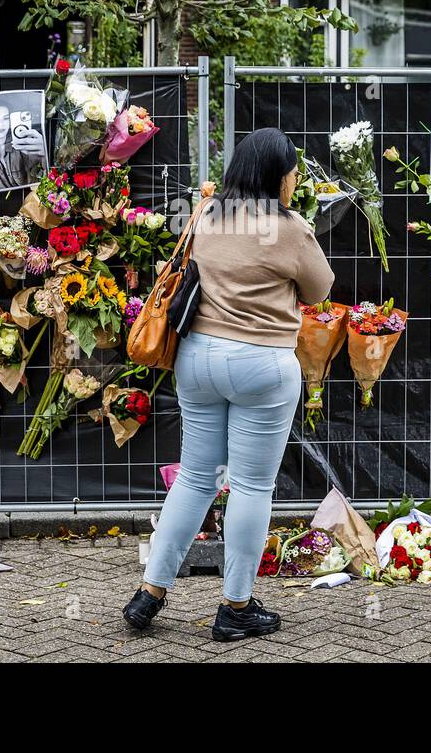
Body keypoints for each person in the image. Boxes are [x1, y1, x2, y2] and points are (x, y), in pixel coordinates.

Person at [123, 127, 335, 643]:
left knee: (196, 478)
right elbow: (321, 289)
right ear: (277, 176)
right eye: (291, 172)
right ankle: (235, 606)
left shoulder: (208, 215)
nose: (294, 180)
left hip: (197, 359)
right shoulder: (289, 227)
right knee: (250, 486)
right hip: (261, 364)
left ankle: (149, 592)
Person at [0, 98, 48, 191]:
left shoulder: (23, 144)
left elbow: (44, 171)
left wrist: (45, 153)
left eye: (6, 118)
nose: (1, 123)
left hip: (31, 196)